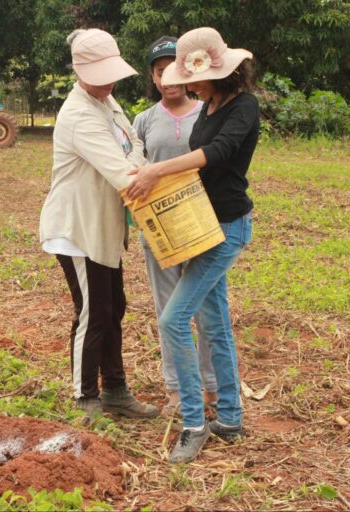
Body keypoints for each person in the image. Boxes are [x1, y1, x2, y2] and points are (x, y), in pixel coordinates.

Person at [126, 27, 258, 463]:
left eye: (192, 76)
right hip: (201, 226)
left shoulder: (244, 107)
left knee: (172, 320)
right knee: (215, 322)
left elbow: (217, 153)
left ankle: (194, 423)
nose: (185, 84)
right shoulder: (212, 104)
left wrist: (156, 172)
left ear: (220, 73)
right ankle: (232, 419)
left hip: (227, 229)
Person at [39, 28, 159, 420]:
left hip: (103, 225)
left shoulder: (107, 103)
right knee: (94, 310)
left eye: (112, 72)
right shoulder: (77, 114)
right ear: (80, 70)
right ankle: (85, 397)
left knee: (115, 307)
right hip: (78, 227)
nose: (110, 81)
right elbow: (121, 169)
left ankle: (117, 390)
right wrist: (150, 174)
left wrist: (140, 167)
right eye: (101, 73)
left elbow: (134, 147)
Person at [132, 36, 218, 418]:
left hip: (200, 224)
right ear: (152, 76)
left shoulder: (208, 113)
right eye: (159, 69)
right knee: (167, 309)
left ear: (187, 73)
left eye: (173, 68)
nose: (167, 77)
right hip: (160, 231)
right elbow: (133, 171)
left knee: (204, 308)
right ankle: (177, 390)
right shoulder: (144, 121)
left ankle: (211, 388)